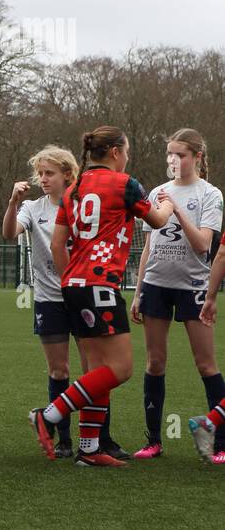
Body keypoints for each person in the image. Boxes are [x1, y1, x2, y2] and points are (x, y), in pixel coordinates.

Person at [28, 126, 173, 467]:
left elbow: (56, 244)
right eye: (127, 151)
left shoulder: (73, 189)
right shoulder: (125, 184)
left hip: (74, 285)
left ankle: (89, 449)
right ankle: (48, 415)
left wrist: (69, 280)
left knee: (97, 371)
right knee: (120, 368)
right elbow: (156, 220)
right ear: (115, 152)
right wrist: (166, 205)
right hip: (100, 285)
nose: (128, 158)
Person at [129, 129, 223, 460]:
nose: (174, 160)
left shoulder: (211, 195)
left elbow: (203, 246)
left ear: (196, 157)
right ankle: (153, 440)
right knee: (155, 362)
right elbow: (149, 248)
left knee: (205, 363)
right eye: (170, 154)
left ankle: (220, 442)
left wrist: (178, 211)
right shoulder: (156, 192)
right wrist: (138, 291)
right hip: (156, 285)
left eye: (180, 154)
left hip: (194, 288)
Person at [2, 145, 82, 459]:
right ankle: (62, 438)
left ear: (67, 175)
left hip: (83, 296)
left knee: (94, 371)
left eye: (49, 173)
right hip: (50, 299)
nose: (43, 179)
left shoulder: (83, 206)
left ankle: (100, 437)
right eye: (41, 173)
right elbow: (10, 233)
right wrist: (12, 203)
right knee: (59, 371)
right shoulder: (34, 208)